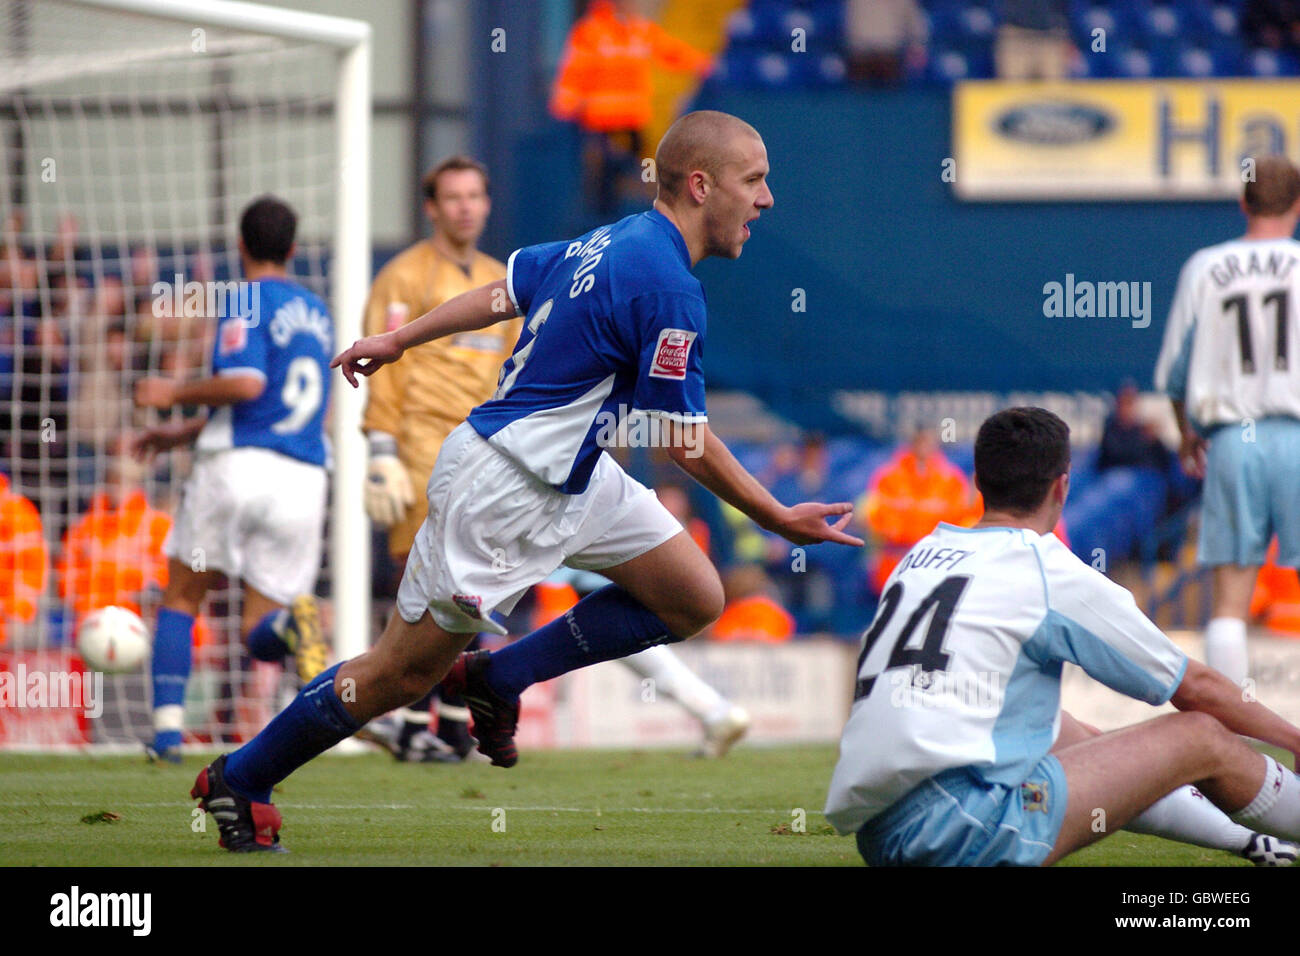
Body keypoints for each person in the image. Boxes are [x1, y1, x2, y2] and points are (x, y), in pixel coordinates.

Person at [190, 109, 862, 852]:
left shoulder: (612, 238)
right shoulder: (668, 289)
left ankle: (501, 676)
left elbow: (501, 291)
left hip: (572, 475)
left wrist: (400, 337)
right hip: (502, 490)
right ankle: (241, 778)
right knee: (398, 677)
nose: (767, 199)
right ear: (702, 186)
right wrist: (778, 516)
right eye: (755, 180)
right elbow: (683, 445)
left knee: (694, 595)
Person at [826, 407, 1300, 867]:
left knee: (1069, 733)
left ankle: (1254, 842)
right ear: (1062, 484)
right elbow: (1194, 687)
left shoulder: (922, 553)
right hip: (960, 827)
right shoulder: (1042, 565)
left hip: (882, 835)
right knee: (1199, 736)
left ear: (978, 481)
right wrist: (1294, 739)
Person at [131, 196, 331, 763]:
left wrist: (171, 394)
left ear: (240, 246)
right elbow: (271, 400)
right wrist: (184, 432)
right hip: (303, 475)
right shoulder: (317, 309)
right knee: (258, 628)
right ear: (293, 249)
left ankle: (167, 735)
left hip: (237, 469)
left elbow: (245, 385)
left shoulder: (243, 299)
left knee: (183, 595)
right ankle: (295, 624)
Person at [357, 155, 519, 762]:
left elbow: (514, 367)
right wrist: (380, 447)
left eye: (475, 196)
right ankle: (412, 716)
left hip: (488, 449)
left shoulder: (501, 279)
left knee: (472, 583)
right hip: (423, 447)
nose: (465, 207)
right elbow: (383, 365)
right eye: (453, 197)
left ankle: (447, 723)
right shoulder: (402, 277)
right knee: (416, 580)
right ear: (432, 207)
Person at [1154, 155, 1300, 689]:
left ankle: (1229, 742)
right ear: (1298, 206)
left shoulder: (1205, 267)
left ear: (1243, 203)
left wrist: (1186, 432)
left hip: (1233, 440)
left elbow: (1173, 372)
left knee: (1230, 602)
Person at [550, 0, 712, 215]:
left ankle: (643, 215)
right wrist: (565, 103)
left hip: (634, 121)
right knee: (603, 183)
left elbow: (670, 51)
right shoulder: (590, 33)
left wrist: (705, 64)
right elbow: (575, 70)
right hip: (602, 123)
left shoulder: (640, 30)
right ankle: (602, 219)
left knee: (643, 174)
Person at [859, 427, 979, 594]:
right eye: (921, 441)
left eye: (929, 442)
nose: (925, 447)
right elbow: (873, 515)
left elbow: (961, 519)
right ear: (913, 443)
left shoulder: (951, 479)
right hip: (895, 561)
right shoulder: (889, 477)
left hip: (937, 563)